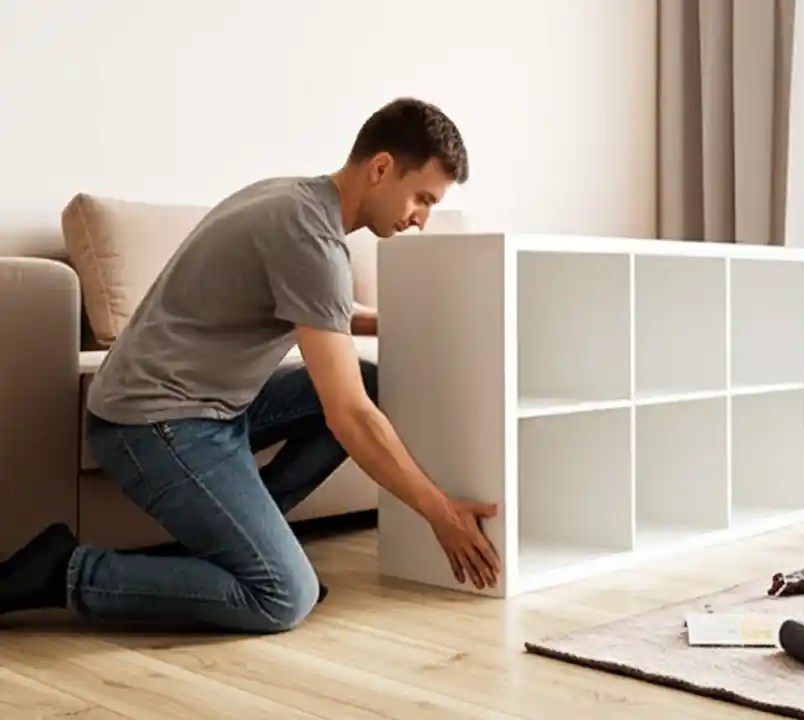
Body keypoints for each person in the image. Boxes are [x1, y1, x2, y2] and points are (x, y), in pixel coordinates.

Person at [0, 97, 501, 633]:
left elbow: (319, 305)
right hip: (152, 422)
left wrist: (387, 320)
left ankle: (251, 540)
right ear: (381, 168)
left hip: (210, 405)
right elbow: (350, 415)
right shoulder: (310, 239)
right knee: (282, 596)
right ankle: (63, 571)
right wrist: (441, 513)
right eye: (422, 198)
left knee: (377, 382)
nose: (422, 219)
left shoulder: (295, 198)